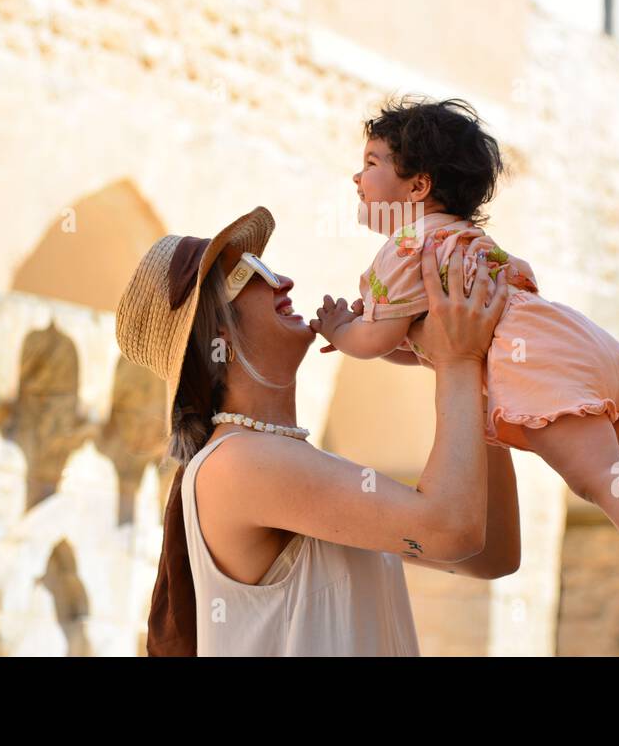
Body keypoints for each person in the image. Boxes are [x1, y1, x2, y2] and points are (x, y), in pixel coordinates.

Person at [314, 96, 619, 639]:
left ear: (417, 187)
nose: (357, 175)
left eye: (371, 163)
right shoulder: (464, 239)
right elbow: (421, 346)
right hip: (572, 340)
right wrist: (379, 338)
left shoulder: (405, 248)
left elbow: (374, 340)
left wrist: (337, 329)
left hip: (537, 368)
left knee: (599, 477)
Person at [116, 205, 518, 655]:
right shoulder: (238, 463)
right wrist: (456, 361)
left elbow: (490, 553)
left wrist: (474, 376)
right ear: (218, 336)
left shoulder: (288, 464)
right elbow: (452, 530)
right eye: (250, 271)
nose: (281, 280)